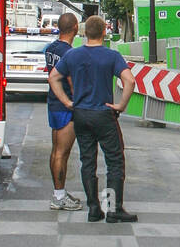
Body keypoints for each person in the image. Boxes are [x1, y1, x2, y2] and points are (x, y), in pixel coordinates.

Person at [48, 15, 138, 222]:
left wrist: (67, 102)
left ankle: (93, 208)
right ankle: (112, 209)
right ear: (104, 32)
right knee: (114, 161)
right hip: (104, 114)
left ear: (84, 32)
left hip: (80, 114)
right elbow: (130, 81)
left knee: (87, 161)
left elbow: (53, 77)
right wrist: (121, 105)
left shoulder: (73, 56)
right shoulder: (112, 56)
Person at [44, 13, 82, 212]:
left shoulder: (51, 49)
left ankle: (58, 192)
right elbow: (70, 80)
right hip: (66, 107)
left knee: (55, 150)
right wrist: (76, 101)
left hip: (53, 103)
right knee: (63, 152)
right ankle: (59, 197)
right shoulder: (70, 53)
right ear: (75, 27)